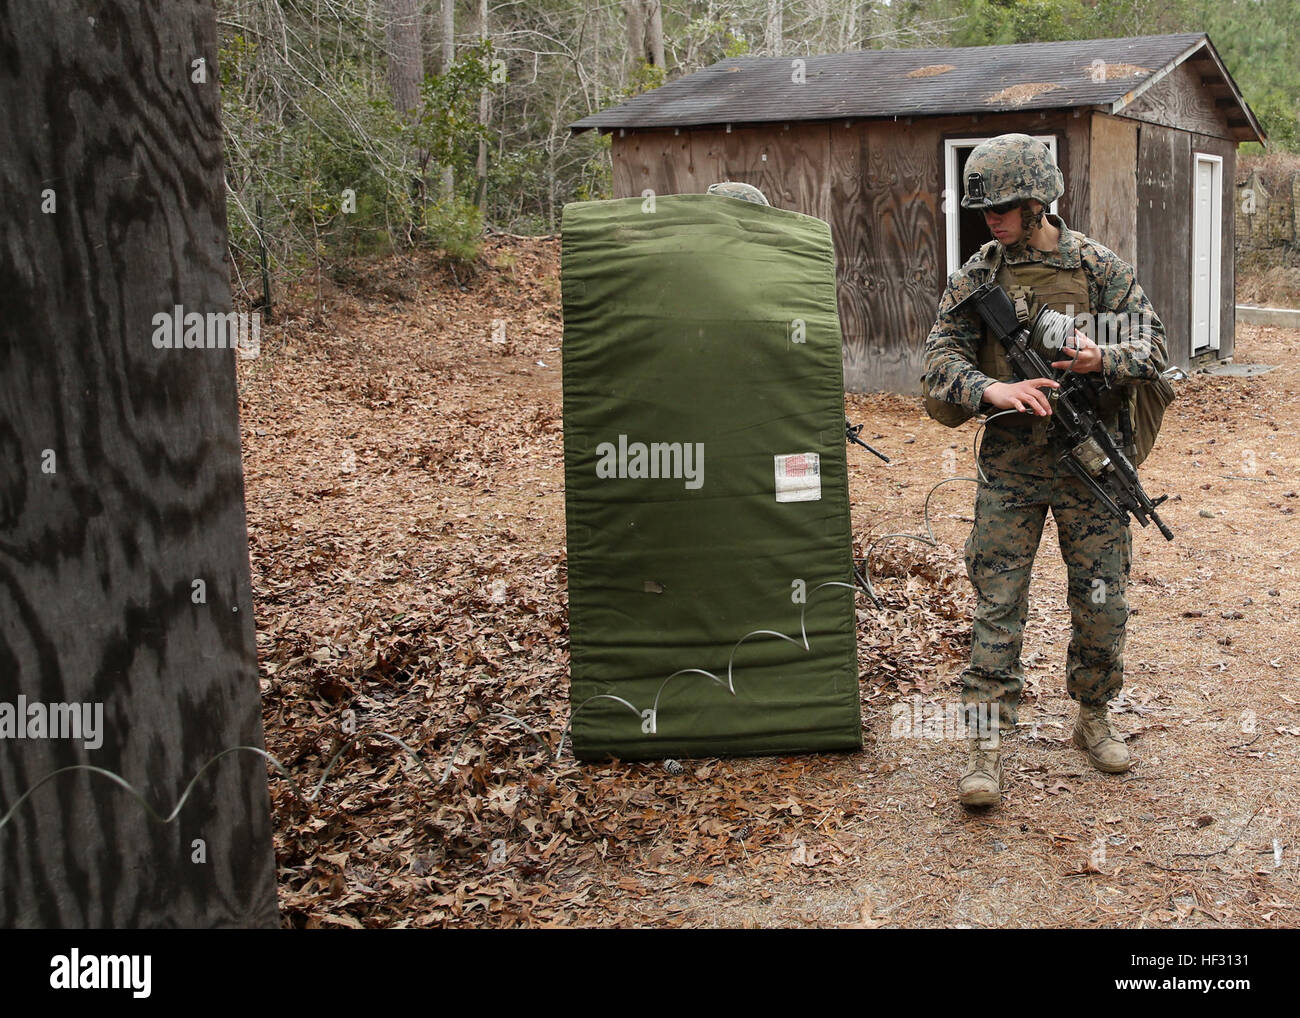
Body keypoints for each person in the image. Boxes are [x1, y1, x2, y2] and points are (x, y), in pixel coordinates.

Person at [922, 133, 1169, 809]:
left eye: (1006, 207)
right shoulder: (978, 276)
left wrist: (1102, 359)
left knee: (1101, 602)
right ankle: (985, 746)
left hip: (1089, 466)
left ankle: (1092, 716)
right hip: (1011, 472)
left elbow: (1157, 350)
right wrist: (989, 389)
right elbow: (938, 361)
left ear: (1041, 200)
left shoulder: (1098, 269)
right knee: (997, 608)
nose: (994, 220)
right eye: (986, 210)